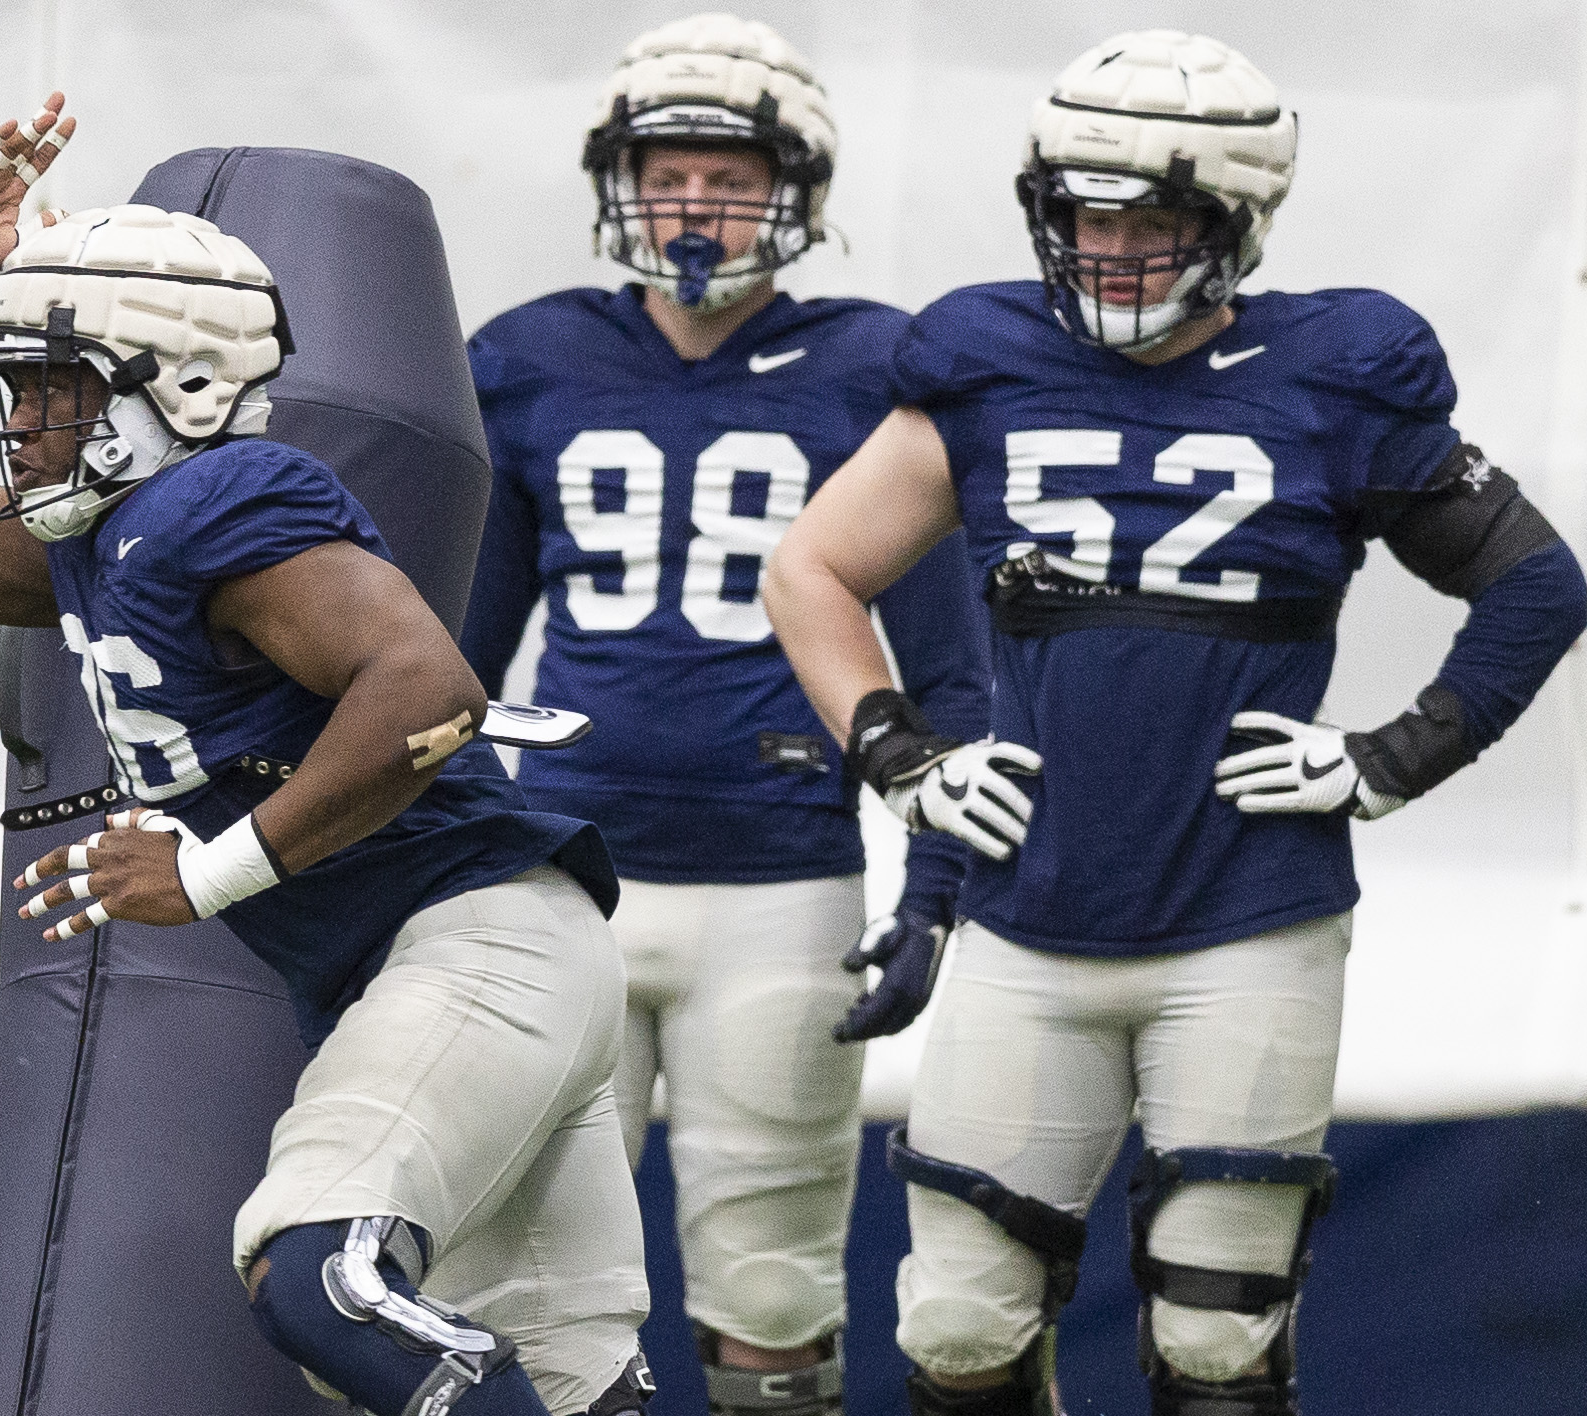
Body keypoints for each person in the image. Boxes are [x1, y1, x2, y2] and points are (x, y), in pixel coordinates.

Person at [760, 30, 1587, 1416]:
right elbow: (814, 570)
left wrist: (1396, 756)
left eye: (1153, 217)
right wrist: (897, 757)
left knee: (1217, 1336)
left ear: (1237, 219)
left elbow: (1536, 585)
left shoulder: (1340, 366)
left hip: (1248, 925)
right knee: (961, 1329)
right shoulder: (986, 354)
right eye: (1088, 212)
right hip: (1029, 926)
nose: (1113, 246)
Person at [0, 96, 654, 1416]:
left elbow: (429, 692)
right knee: (578, 1386)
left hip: (475, 948)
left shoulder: (224, 494)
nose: (21, 423)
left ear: (188, 384)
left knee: (315, 1285)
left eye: (54, 387)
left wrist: (207, 877)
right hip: (467, 960)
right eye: (17, 387)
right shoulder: (107, 536)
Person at [461, 15, 989, 1414]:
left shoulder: (882, 364)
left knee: (770, 1284)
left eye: (729, 174)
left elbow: (947, 663)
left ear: (798, 191)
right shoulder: (526, 357)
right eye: (666, 169)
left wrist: (936, 875)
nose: (694, 203)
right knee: (517, 1281)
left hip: (782, 882)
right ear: (616, 178)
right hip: (560, 877)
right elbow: (453, 658)